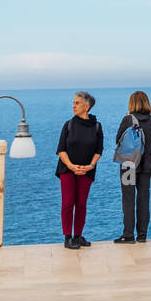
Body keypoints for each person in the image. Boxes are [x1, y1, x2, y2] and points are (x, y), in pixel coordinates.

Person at [56, 91, 103, 249]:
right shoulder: (68, 124)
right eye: (74, 102)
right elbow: (61, 149)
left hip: (86, 171)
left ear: (86, 106)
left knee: (81, 204)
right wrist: (71, 166)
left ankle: (78, 236)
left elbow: (99, 150)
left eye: (77, 103)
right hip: (67, 169)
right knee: (68, 203)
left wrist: (90, 166)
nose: (73, 106)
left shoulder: (97, 126)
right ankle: (68, 237)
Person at [114, 91, 151, 245]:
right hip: (146, 164)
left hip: (129, 164)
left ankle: (128, 235)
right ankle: (142, 235)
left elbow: (117, 139)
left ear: (132, 103)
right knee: (143, 199)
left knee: (128, 198)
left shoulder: (128, 119)